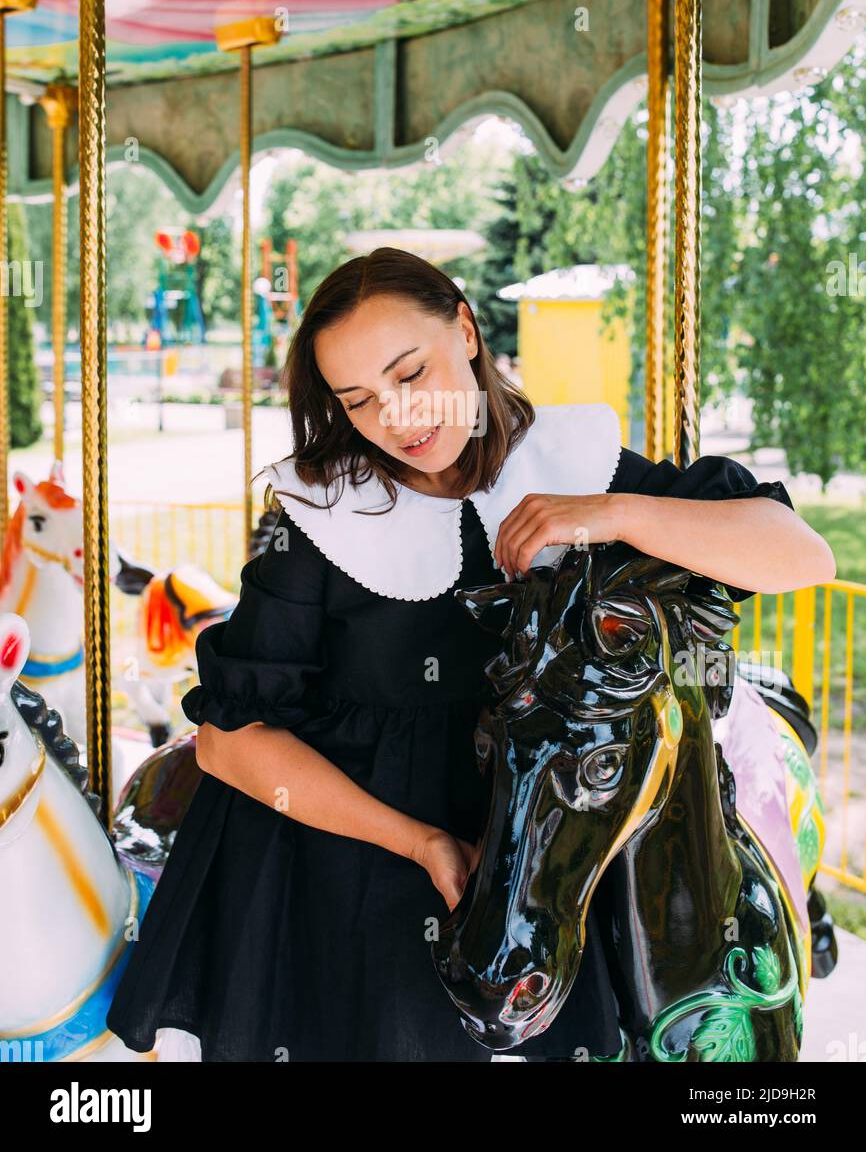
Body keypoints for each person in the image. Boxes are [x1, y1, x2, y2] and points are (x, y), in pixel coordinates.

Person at [106, 247, 835, 1062]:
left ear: (466, 328)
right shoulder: (316, 524)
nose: (396, 418)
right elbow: (229, 741)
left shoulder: (579, 471)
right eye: (358, 399)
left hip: (552, 872)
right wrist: (421, 842)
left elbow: (801, 557)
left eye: (411, 374)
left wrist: (610, 513)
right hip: (365, 875)